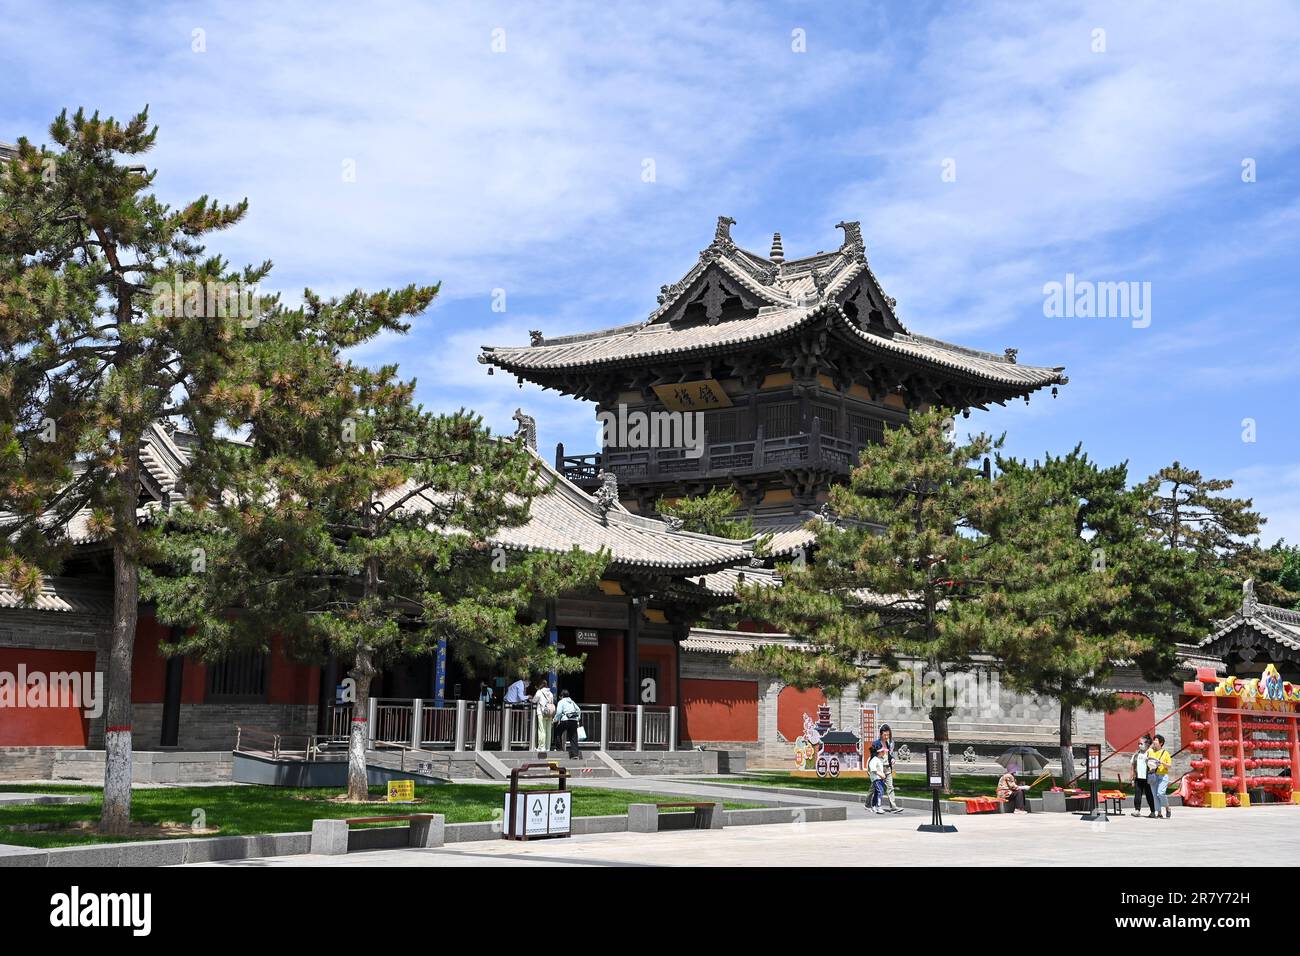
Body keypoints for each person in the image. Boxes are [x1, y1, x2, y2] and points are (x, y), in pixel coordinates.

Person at [873, 724, 904, 813]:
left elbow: (888, 754)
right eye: (885, 735)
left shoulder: (887, 743)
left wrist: (892, 759)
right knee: (876, 788)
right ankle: (872, 804)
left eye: (888, 735)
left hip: (887, 768)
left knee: (890, 787)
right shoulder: (876, 743)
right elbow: (873, 756)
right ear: (881, 734)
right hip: (880, 769)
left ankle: (893, 807)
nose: (887, 737)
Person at [1147, 734, 1173, 818]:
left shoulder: (1166, 753)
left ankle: (1167, 808)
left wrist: (1162, 763)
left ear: (1161, 743)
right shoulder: (1151, 751)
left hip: (1163, 776)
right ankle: (1159, 812)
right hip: (1153, 775)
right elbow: (1148, 759)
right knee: (1155, 795)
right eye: (1154, 740)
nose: (1154, 741)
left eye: (1156, 740)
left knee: (1160, 793)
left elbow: (1169, 766)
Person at [552, 690, 582, 759]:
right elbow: (578, 710)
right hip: (574, 721)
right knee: (573, 737)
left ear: (562, 696)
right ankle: (575, 754)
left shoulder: (561, 702)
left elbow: (559, 712)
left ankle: (559, 749)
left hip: (565, 720)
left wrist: (555, 720)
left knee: (558, 732)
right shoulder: (572, 701)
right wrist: (578, 718)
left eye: (560, 696)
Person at [1130, 734, 1154, 818]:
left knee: (1149, 795)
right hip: (1138, 778)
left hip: (1148, 779)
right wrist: (1132, 778)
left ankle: (1153, 811)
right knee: (1137, 794)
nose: (1139, 745)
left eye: (1141, 743)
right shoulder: (1136, 754)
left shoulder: (1150, 753)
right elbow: (1133, 766)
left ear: (1147, 745)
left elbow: (1154, 765)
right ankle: (1137, 810)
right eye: (1138, 744)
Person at [533, 681, 556, 755]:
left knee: (542, 730)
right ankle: (547, 747)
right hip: (549, 713)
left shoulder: (539, 692)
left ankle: (541, 747)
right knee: (548, 730)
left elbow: (534, 700)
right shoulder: (551, 693)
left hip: (542, 713)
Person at [867, 745, 886, 814]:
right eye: (882, 751)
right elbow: (873, 770)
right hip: (876, 779)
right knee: (880, 791)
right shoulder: (874, 760)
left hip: (879, 779)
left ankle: (874, 806)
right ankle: (878, 807)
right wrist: (881, 775)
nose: (884, 752)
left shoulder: (880, 759)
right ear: (879, 752)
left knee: (876, 792)